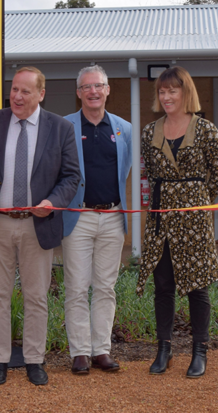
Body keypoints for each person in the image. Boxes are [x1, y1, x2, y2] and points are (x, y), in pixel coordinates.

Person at [0, 66, 80, 386]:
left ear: (41, 94)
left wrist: (52, 202)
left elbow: (71, 177)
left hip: (37, 224)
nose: (16, 96)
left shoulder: (60, 128)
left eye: (25, 91)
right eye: (14, 89)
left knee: (36, 297)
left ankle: (34, 360)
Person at [137, 66, 218, 378]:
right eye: (162, 91)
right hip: (160, 219)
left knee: (197, 286)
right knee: (163, 285)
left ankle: (200, 350)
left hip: (194, 221)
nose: (166, 96)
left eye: (172, 90)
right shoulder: (149, 132)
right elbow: (149, 173)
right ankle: (164, 349)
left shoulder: (206, 130)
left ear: (185, 92)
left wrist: (196, 201)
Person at [61, 65, 131, 375]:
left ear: (107, 90)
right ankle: (79, 352)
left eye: (98, 85)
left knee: (105, 288)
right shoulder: (64, 127)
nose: (93, 91)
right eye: (86, 87)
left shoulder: (124, 129)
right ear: (78, 93)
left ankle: (101, 350)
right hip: (79, 218)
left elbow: (126, 170)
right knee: (77, 287)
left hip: (113, 217)